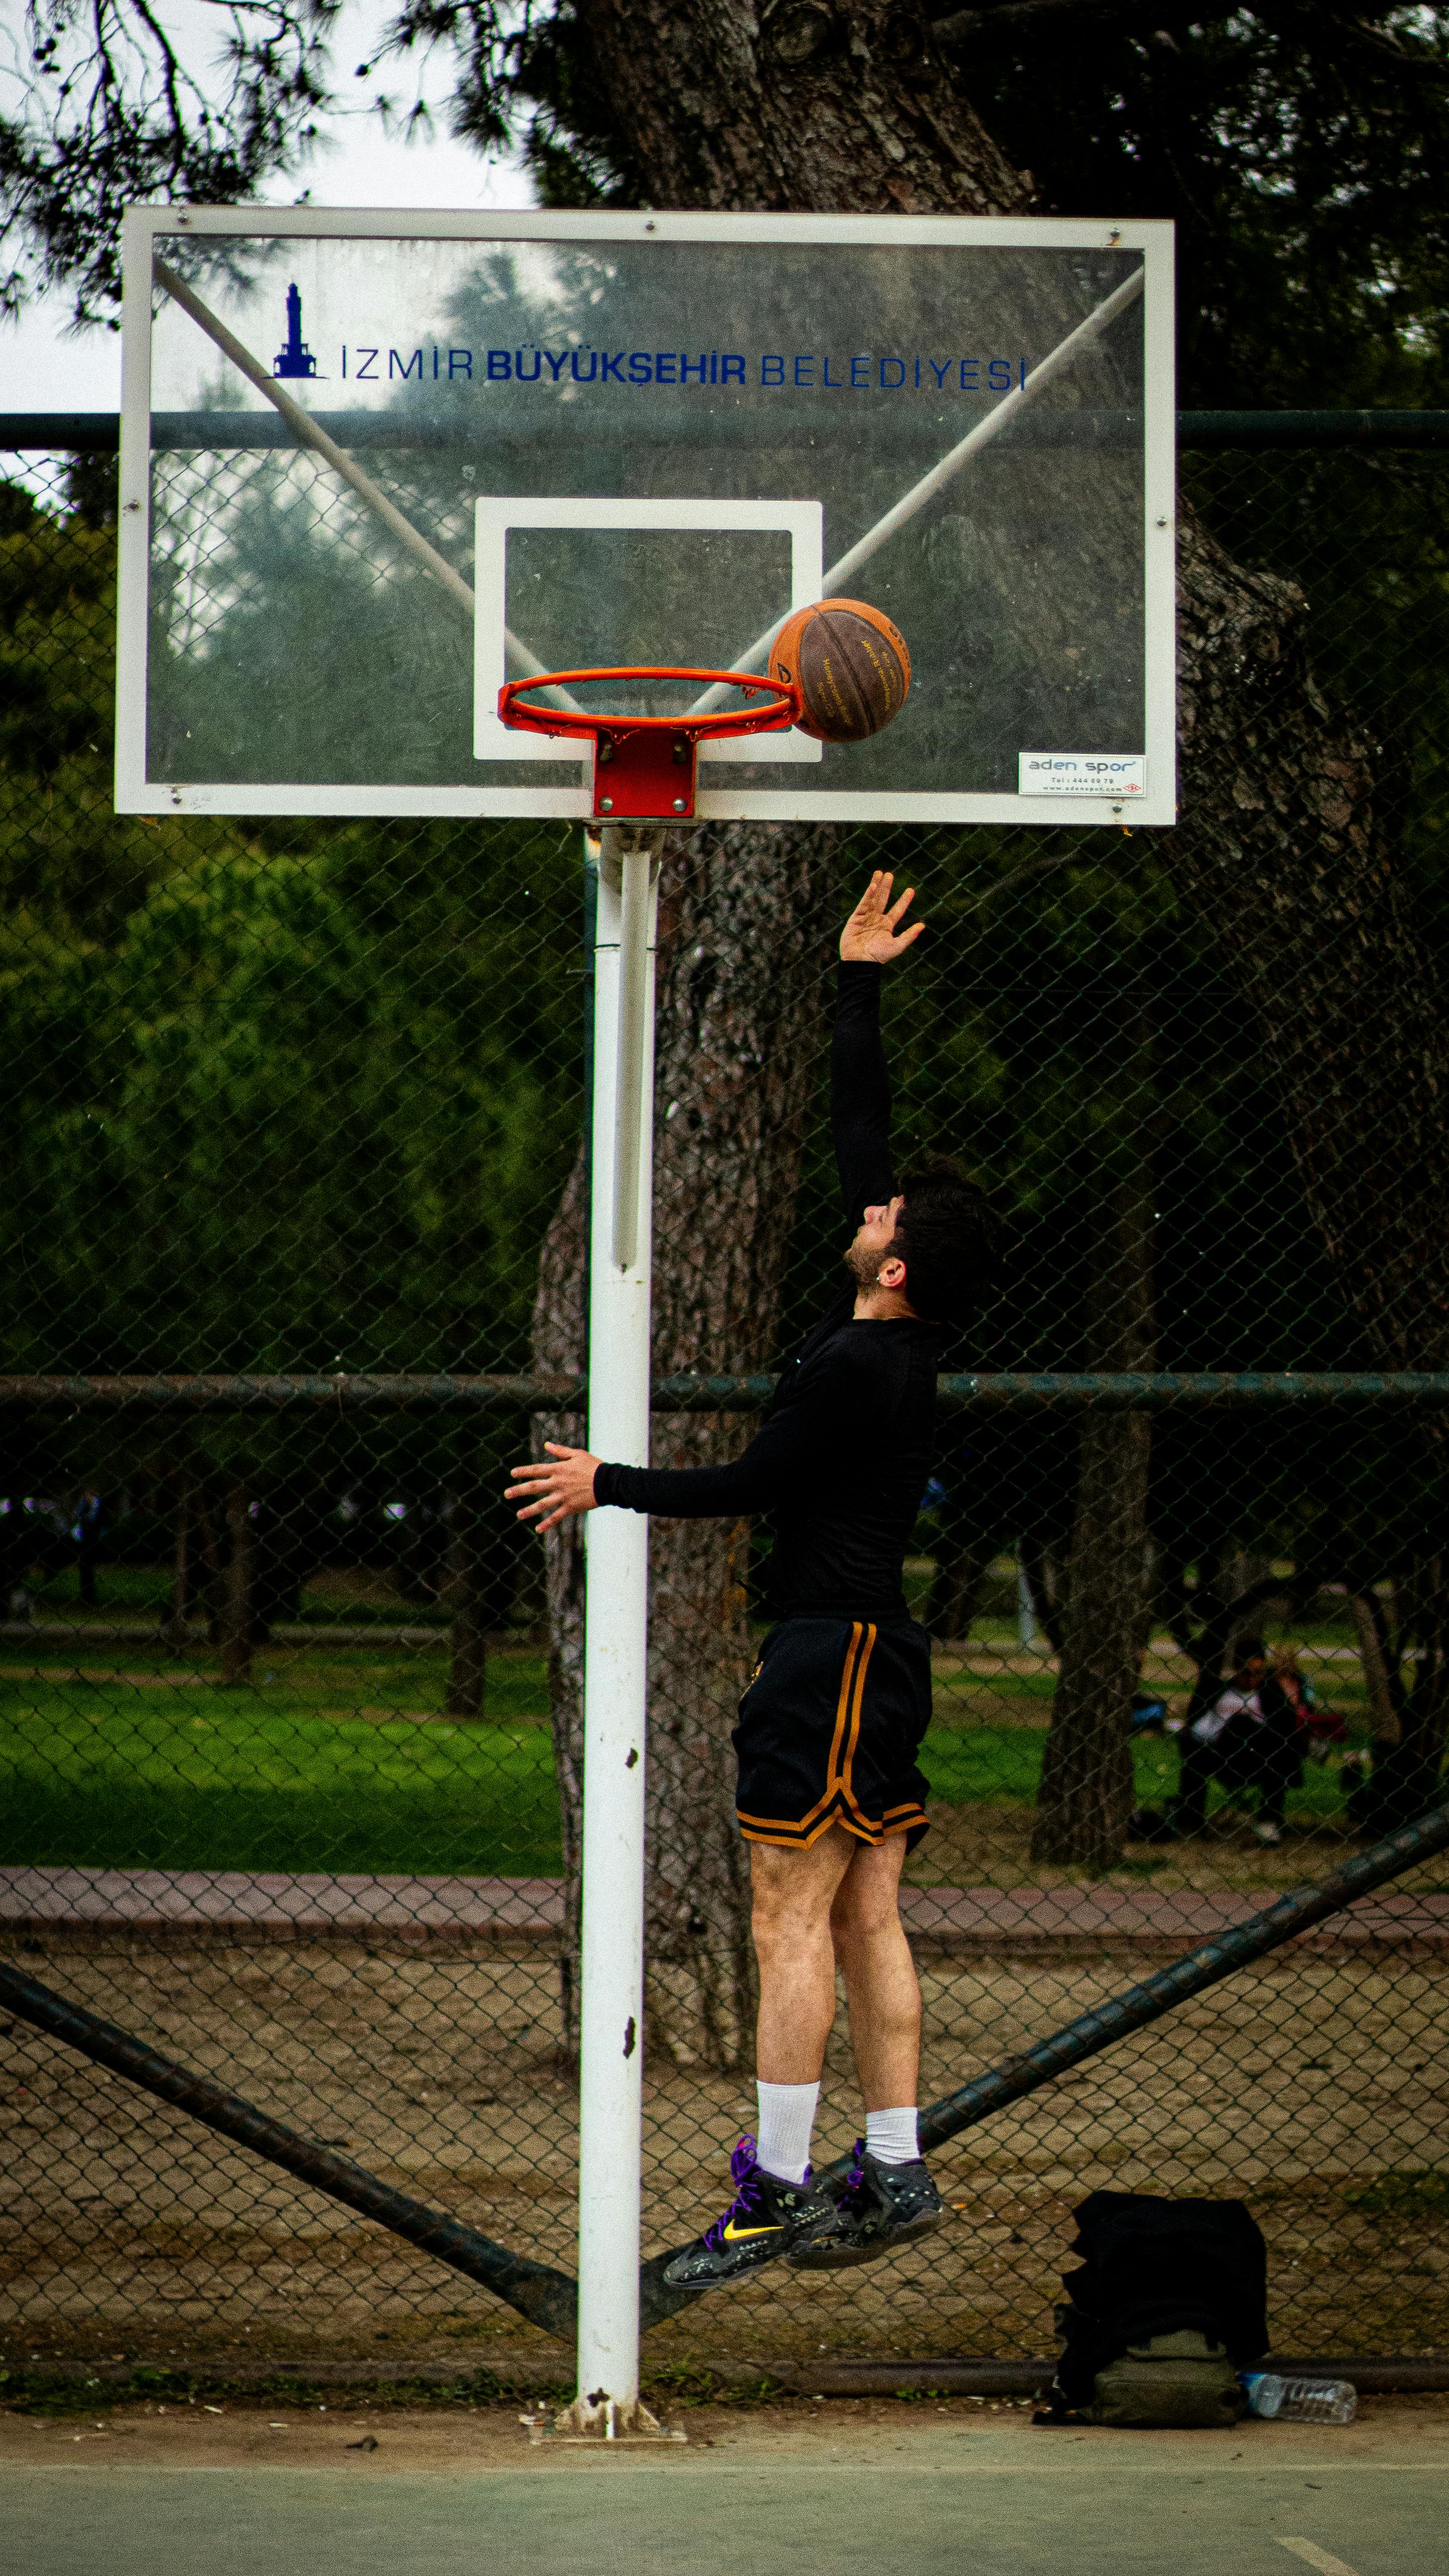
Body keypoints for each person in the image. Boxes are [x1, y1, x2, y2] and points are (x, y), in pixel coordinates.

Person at [506, 872, 1001, 2288]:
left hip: (830, 1657)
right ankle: (892, 2168)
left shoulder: (858, 1366)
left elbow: (748, 1484)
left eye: (882, 1212)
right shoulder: (889, 1335)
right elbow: (861, 1128)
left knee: (791, 1916)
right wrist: (857, 982)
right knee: (863, 1912)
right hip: (875, 1652)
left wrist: (606, 1482)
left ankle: (777, 2192)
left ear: (893, 1267)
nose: (868, 1200)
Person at [1171, 1635, 1302, 1846]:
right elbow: (1198, 1729)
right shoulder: (1220, 1692)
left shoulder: (1270, 1695)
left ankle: (1268, 1820)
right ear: (1236, 1669)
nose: (1252, 1679)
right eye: (1247, 1672)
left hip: (1260, 1757)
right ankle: (1190, 1817)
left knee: (1260, 1735)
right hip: (1222, 1755)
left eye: (1259, 1673)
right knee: (1235, 1727)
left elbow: (1284, 1728)